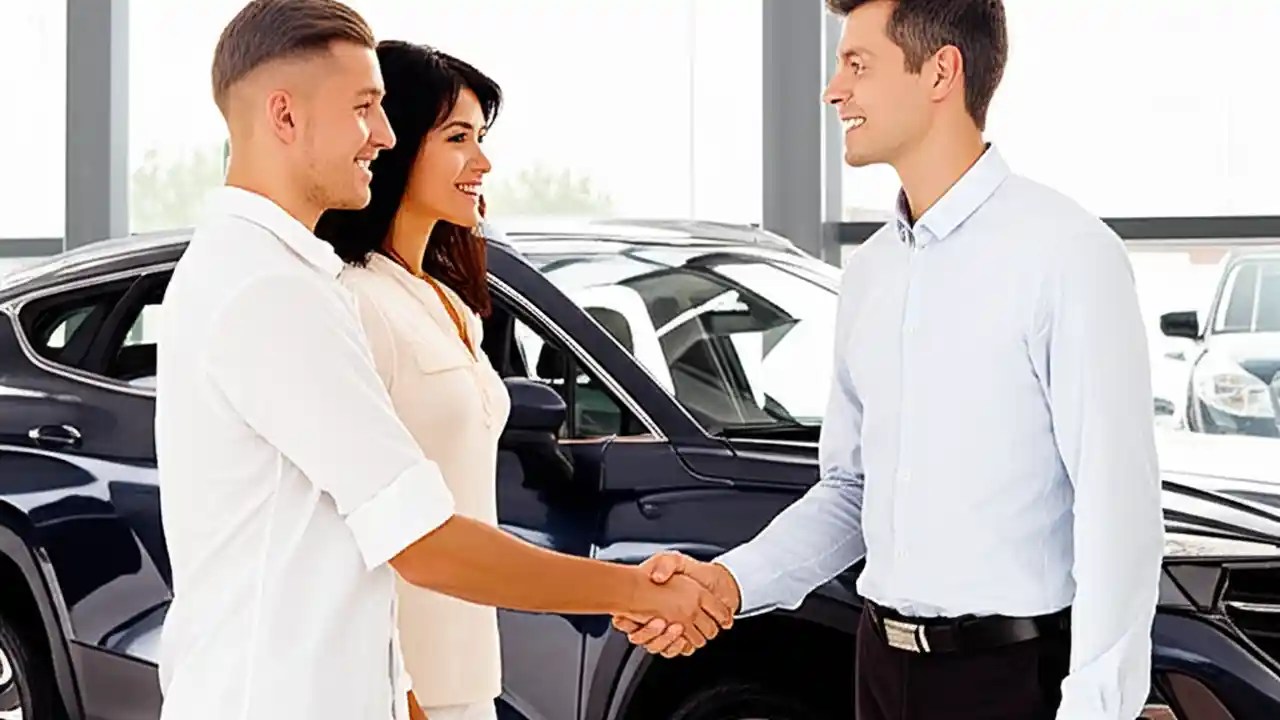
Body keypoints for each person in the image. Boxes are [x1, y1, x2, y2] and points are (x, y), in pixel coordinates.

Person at [154, 2, 731, 719]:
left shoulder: (264, 272)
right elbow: (419, 539)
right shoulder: (272, 290)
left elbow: (350, 547)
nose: (384, 134)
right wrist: (634, 590)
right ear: (284, 115)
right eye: (364, 107)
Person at [615, 1, 1164, 718]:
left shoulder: (1066, 254)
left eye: (857, 64)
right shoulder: (873, 270)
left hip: (1013, 680)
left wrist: (1096, 707)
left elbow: (1118, 511)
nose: (833, 89)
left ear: (941, 71)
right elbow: (851, 490)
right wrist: (732, 583)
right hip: (878, 668)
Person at [311, 41, 514, 720]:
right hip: (401, 692)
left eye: (481, 138)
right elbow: (346, 525)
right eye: (458, 138)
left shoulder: (449, 305)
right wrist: (403, 694)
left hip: (469, 675)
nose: (481, 161)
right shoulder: (354, 300)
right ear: (394, 141)